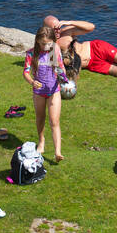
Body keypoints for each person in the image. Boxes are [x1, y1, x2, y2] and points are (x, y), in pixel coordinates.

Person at [43, 15, 117, 79]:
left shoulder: (65, 31)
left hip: (96, 48)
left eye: (58, 27)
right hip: (93, 64)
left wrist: (69, 22)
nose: (57, 30)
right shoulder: (48, 45)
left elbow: (91, 27)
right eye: (54, 29)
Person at [23, 27, 66, 162]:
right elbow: (26, 72)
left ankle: (57, 152)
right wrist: (31, 81)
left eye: (49, 43)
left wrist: (63, 77)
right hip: (39, 92)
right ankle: (41, 141)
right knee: (40, 118)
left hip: (54, 91)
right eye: (43, 44)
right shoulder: (32, 54)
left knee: (54, 121)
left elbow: (60, 68)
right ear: (37, 41)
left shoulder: (53, 52)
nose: (46, 46)